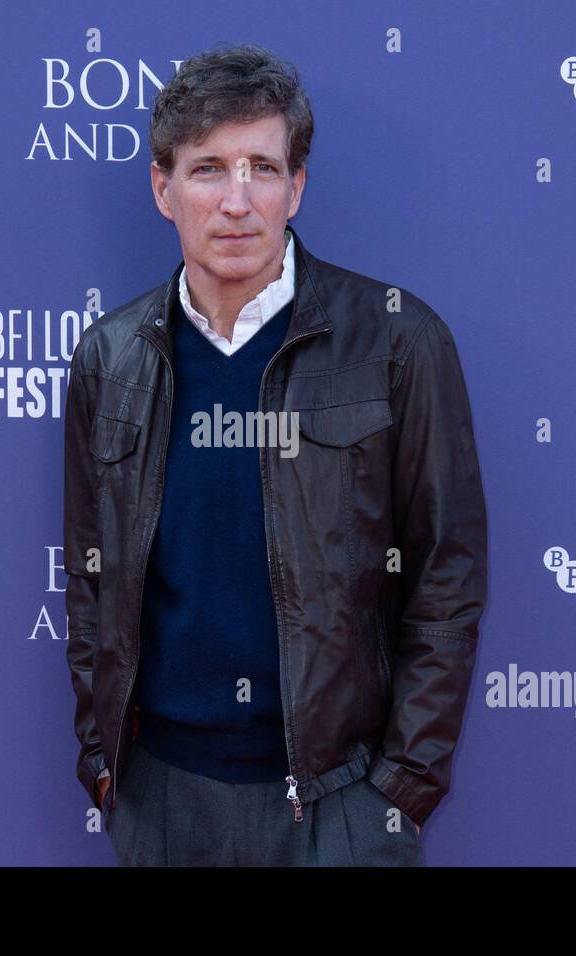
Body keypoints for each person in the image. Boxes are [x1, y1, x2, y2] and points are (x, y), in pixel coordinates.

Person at [62, 43, 488, 866]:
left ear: (297, 187)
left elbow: (449, 574)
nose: (236, 201)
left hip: (339, 807)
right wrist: (106, 768)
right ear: (163, 188)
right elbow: (90, 581)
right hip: (161, 801)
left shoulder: (399, 342)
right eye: (208, 169)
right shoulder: (109, 358)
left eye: (262, 167)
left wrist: (399, 791)